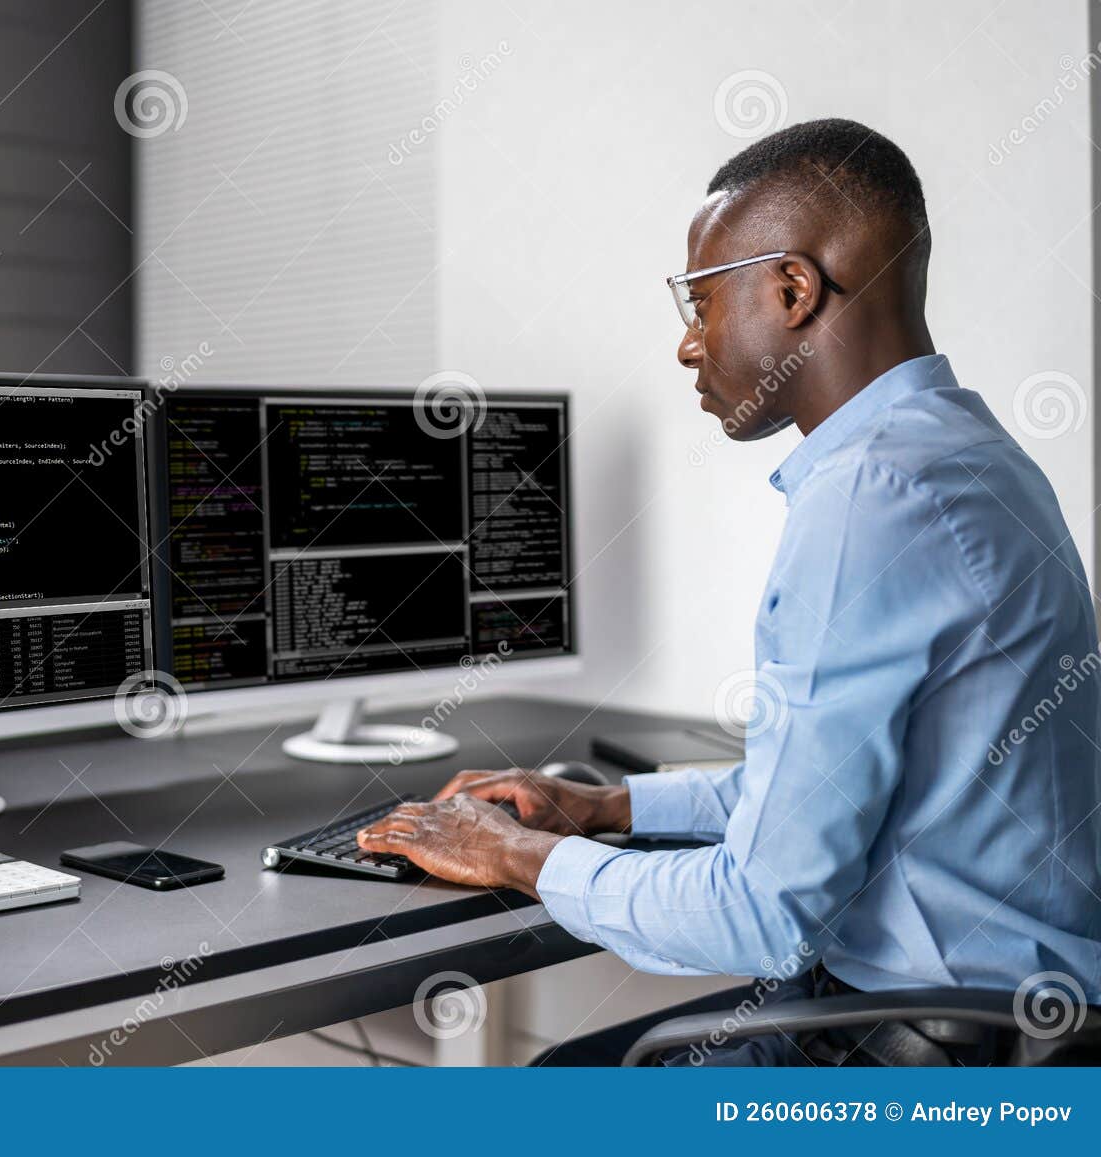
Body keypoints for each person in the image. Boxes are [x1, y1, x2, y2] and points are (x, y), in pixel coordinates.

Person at [357, 118, 1101, 1065]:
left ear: (792, 289)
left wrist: (513, 852)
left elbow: (760, 912)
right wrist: (606, 806)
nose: (686, 345)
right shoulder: (973, 455)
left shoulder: (869, 498)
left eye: (700, 301)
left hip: (923, 1056)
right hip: (1022, 1024)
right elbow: (822, 795)